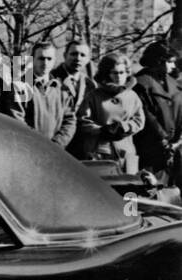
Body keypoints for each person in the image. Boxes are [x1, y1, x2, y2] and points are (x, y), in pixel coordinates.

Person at [73, 53, 146, 172]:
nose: (119, 77)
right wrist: (101, 130)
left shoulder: (132, 96)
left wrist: (124, 127)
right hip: (99, 151)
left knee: (127, 188)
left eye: (122, 72)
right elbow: (83, 120)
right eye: (115, 73)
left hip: (125, 151)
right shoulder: (94, 96)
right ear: (107, 74)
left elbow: (139, 120)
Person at [133, 41, 182, 183]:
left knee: (171, 192)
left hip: (174, 148)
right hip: (150, 148)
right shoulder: (140, 84)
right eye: (170, 62)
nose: (174, 66)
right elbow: (146, 114)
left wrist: (177, 140)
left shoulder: (174, 85)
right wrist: (163, 139)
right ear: (159, 61)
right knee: (149, 189)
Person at [21, 40, 76, 148]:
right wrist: (41, 145)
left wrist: (57, 144)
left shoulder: (61, 89)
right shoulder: (21, 86)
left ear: (54, 61)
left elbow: (70, 120)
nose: (45, 63)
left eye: (49, 59)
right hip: (27, 148)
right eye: (41, 58)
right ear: (32, 60)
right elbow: (16, 120)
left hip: (55, 152)